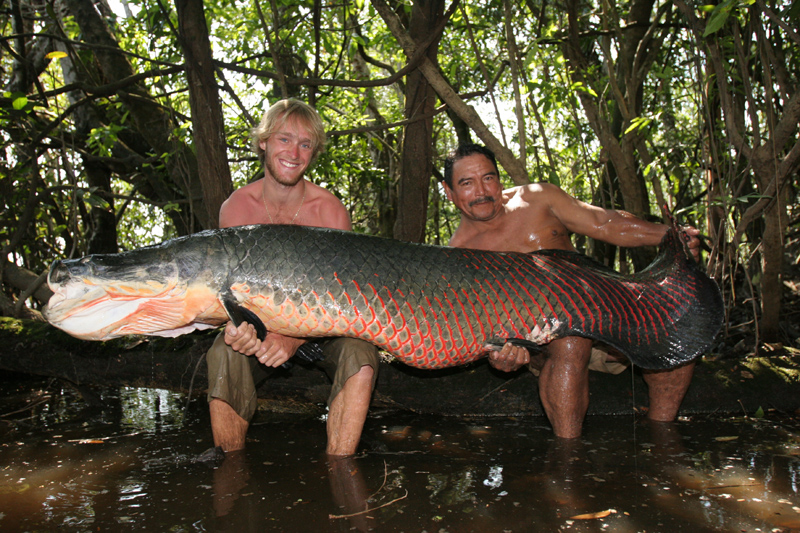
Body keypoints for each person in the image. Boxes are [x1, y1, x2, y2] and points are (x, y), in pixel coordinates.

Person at [441, 143, 702, 439]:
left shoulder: (538, 199)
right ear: (449, 192)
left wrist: (668, 236)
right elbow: (479, 327)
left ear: (499, 179)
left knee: (675, 330)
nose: (482, 191)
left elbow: (604, 223)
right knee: (571, 339)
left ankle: (663, 438)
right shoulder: (457, 257)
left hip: (603, 313)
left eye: (488, 178)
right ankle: (568, 460)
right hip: (542, 342)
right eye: (467, 183)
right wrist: (498, 355)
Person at [207, 98, 379, 456]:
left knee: (361, 355)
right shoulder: (237, 207)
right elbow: (233, 295)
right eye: (285, 139)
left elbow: (344, 302)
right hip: (260, 331)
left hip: (323, 331)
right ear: (264, 142)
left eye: (305, 144)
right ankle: (229, 469)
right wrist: (240, 328)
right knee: (224, 352)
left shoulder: (329, 211)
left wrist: (293, 341)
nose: (294, 152)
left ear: (313, 153)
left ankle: (341, 469)